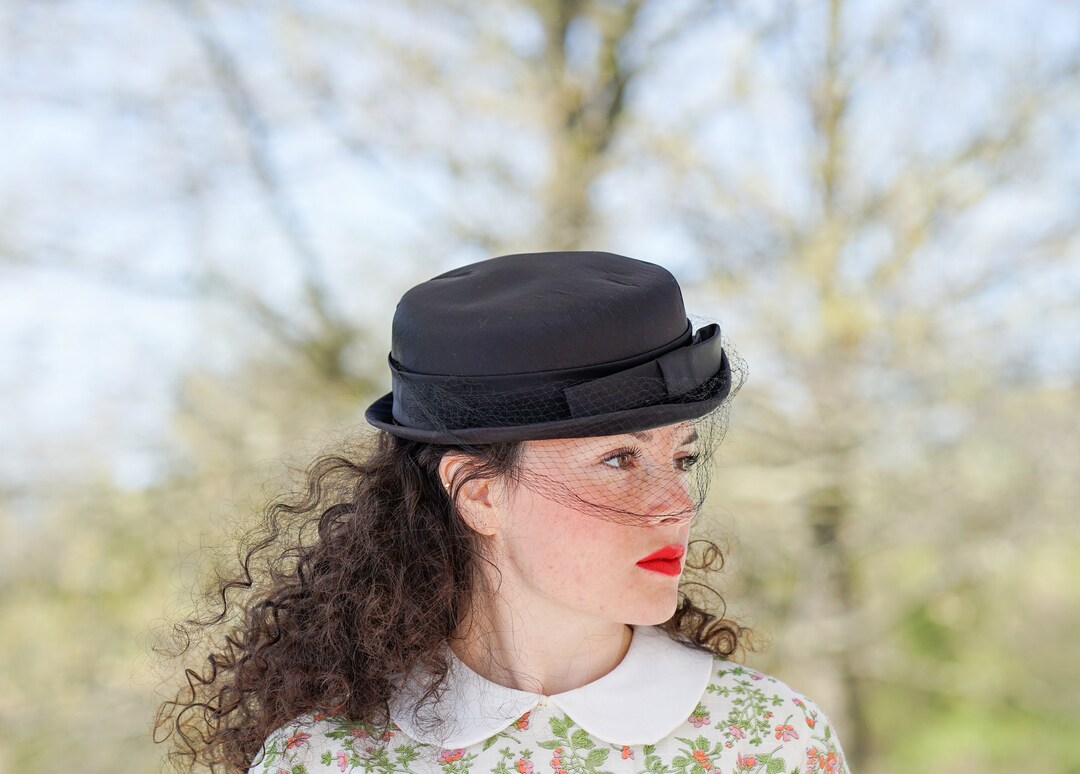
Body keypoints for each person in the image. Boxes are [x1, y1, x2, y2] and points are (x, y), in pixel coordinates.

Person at [155, 251, 850, 773]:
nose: (677, 506)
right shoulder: (324, 762)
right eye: (619, 460)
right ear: (479, 493)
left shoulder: (771, 743)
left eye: (682, 458)